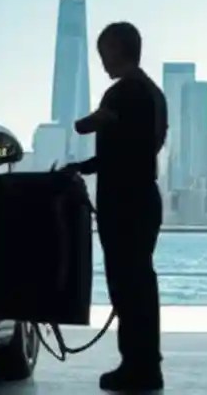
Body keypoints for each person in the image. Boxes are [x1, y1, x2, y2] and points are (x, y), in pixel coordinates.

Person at [68, 21, 167, 392]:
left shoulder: (122, 94)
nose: (102, 62)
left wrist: (87, 131)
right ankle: (146, 363)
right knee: (141, 282)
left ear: (117, 49)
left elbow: (84, 128)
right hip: (145, 196)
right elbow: (128, 151)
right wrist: (87, 166)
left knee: (126, 285)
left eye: (103, 53)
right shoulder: (155, 94)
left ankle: (135, 366)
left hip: (123, 202)